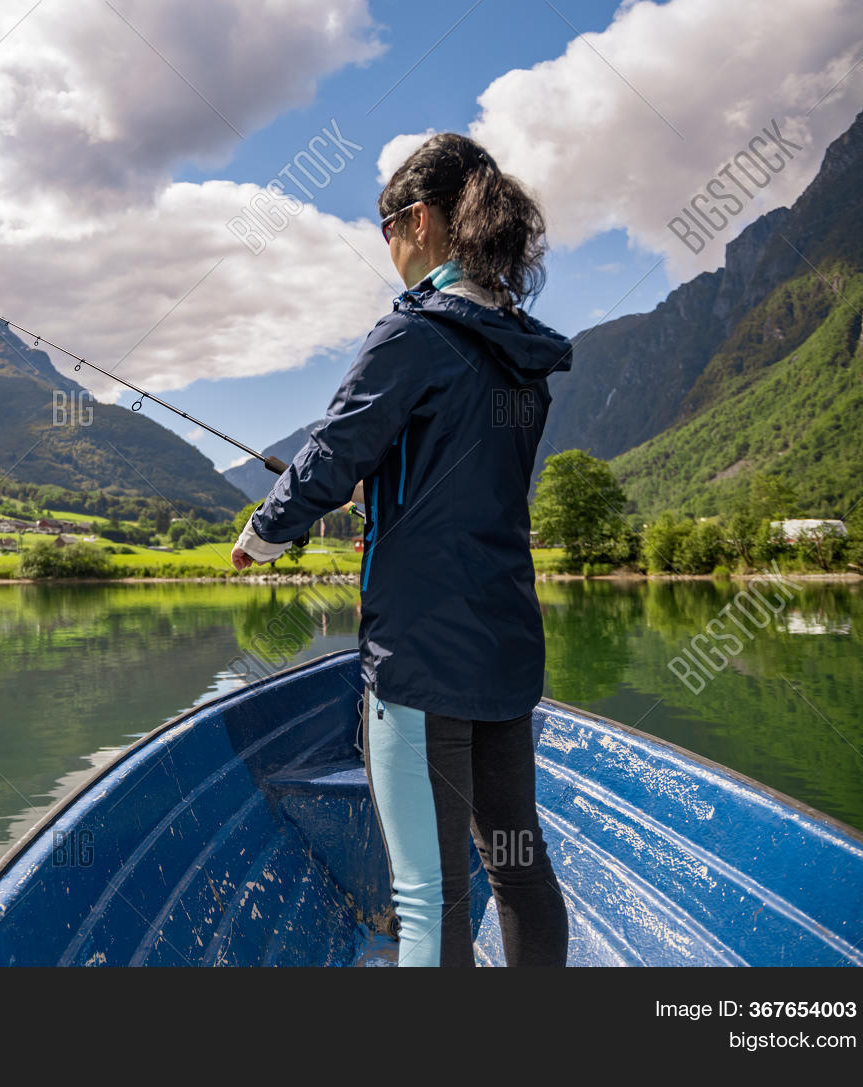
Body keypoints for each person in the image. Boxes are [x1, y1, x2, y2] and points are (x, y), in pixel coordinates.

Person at [231, 133, 571, 967]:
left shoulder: (411, 334)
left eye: (385, 227)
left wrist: (261, 537)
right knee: (519, 868)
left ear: (416, 220)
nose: (388, 246)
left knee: (429, 896)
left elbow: (328, 456)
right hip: (504, 649)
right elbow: (450, 476)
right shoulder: (522, 355)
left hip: (419, 659)